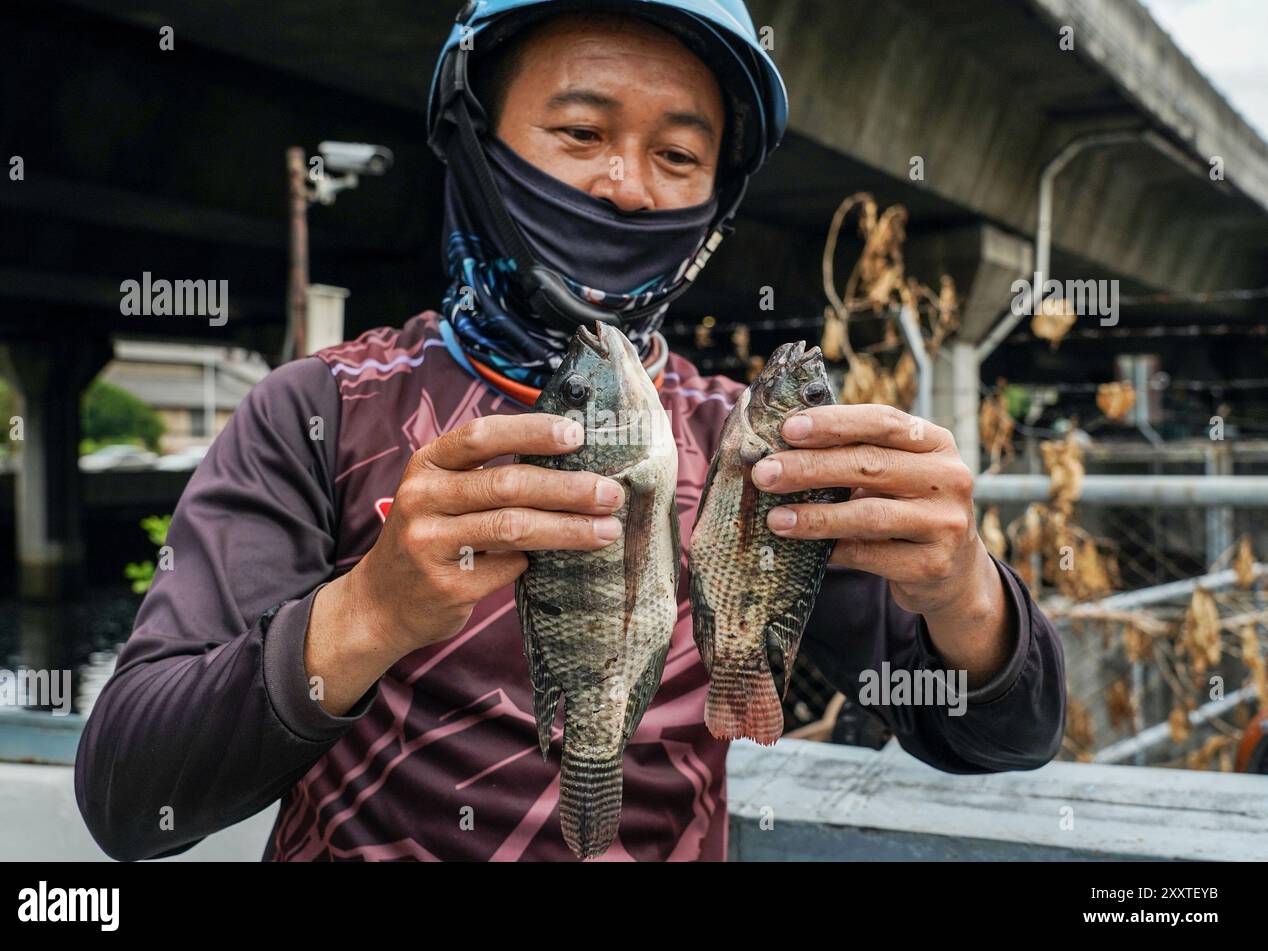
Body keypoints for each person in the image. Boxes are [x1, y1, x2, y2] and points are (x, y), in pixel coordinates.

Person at [75, 0, 1065, 862]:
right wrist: (368, 610)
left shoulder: (751, 443)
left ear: (714, 199)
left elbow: (994, 739)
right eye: (581, 133)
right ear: (473, 140)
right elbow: (130, 799)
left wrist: (963, 591)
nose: (627, 186)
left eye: (677, 155)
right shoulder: (318, 410)